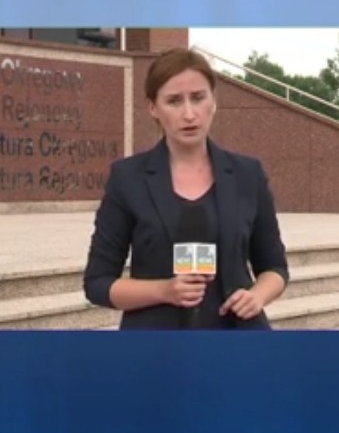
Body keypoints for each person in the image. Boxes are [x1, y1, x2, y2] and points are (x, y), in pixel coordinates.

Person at [82, 48, 289, 330]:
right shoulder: (127, 178)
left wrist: (256, 296)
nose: (189, 113)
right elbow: (97, 283)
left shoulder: (248, 174)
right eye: (174, 101)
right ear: (153, 108)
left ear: (213, 101)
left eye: (198, 98)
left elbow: (275, 268)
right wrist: (165, 290)